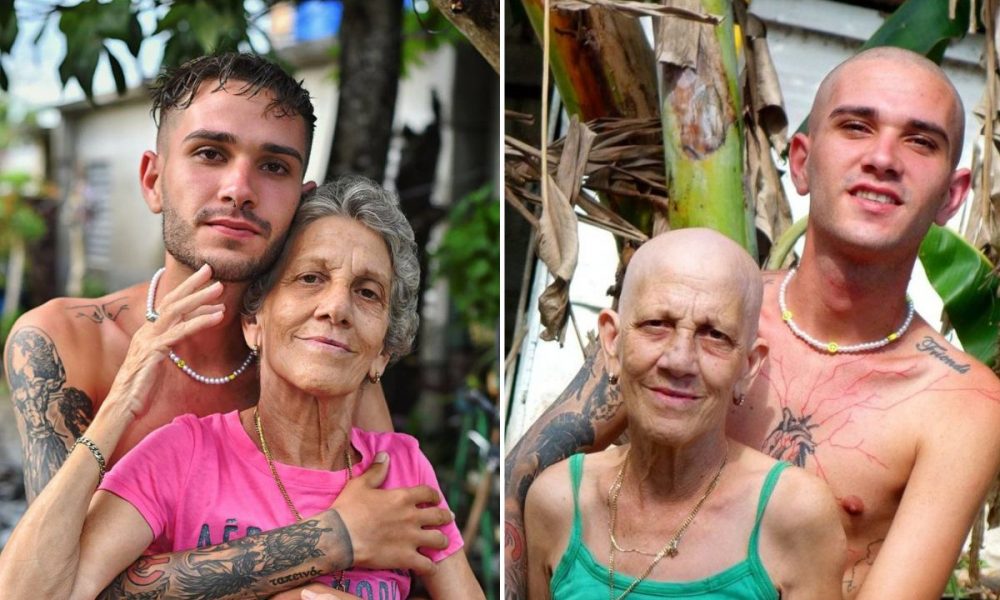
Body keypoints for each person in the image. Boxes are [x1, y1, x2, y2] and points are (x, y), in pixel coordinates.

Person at [506, 46, 1000, 600]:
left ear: (952, 196)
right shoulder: (694, 311)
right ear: (800, 162)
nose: (884, 157)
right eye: (856, 126)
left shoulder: (962, 405)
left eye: (920, 140)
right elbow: (521, 481)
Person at [0, 177, 485, 599]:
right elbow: (41, 593)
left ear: (383, 349)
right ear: (254, 320)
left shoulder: (401, 466)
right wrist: (125, 394)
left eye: (367, 292)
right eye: (310, 278)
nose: (336, 307)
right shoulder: (180, 453)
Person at [525, 229, 845, 599]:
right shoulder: (558, 501)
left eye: (714, 335)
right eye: (656, 325)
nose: (680, 360)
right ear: (612, 342)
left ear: (748, 367)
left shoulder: (792, 514)